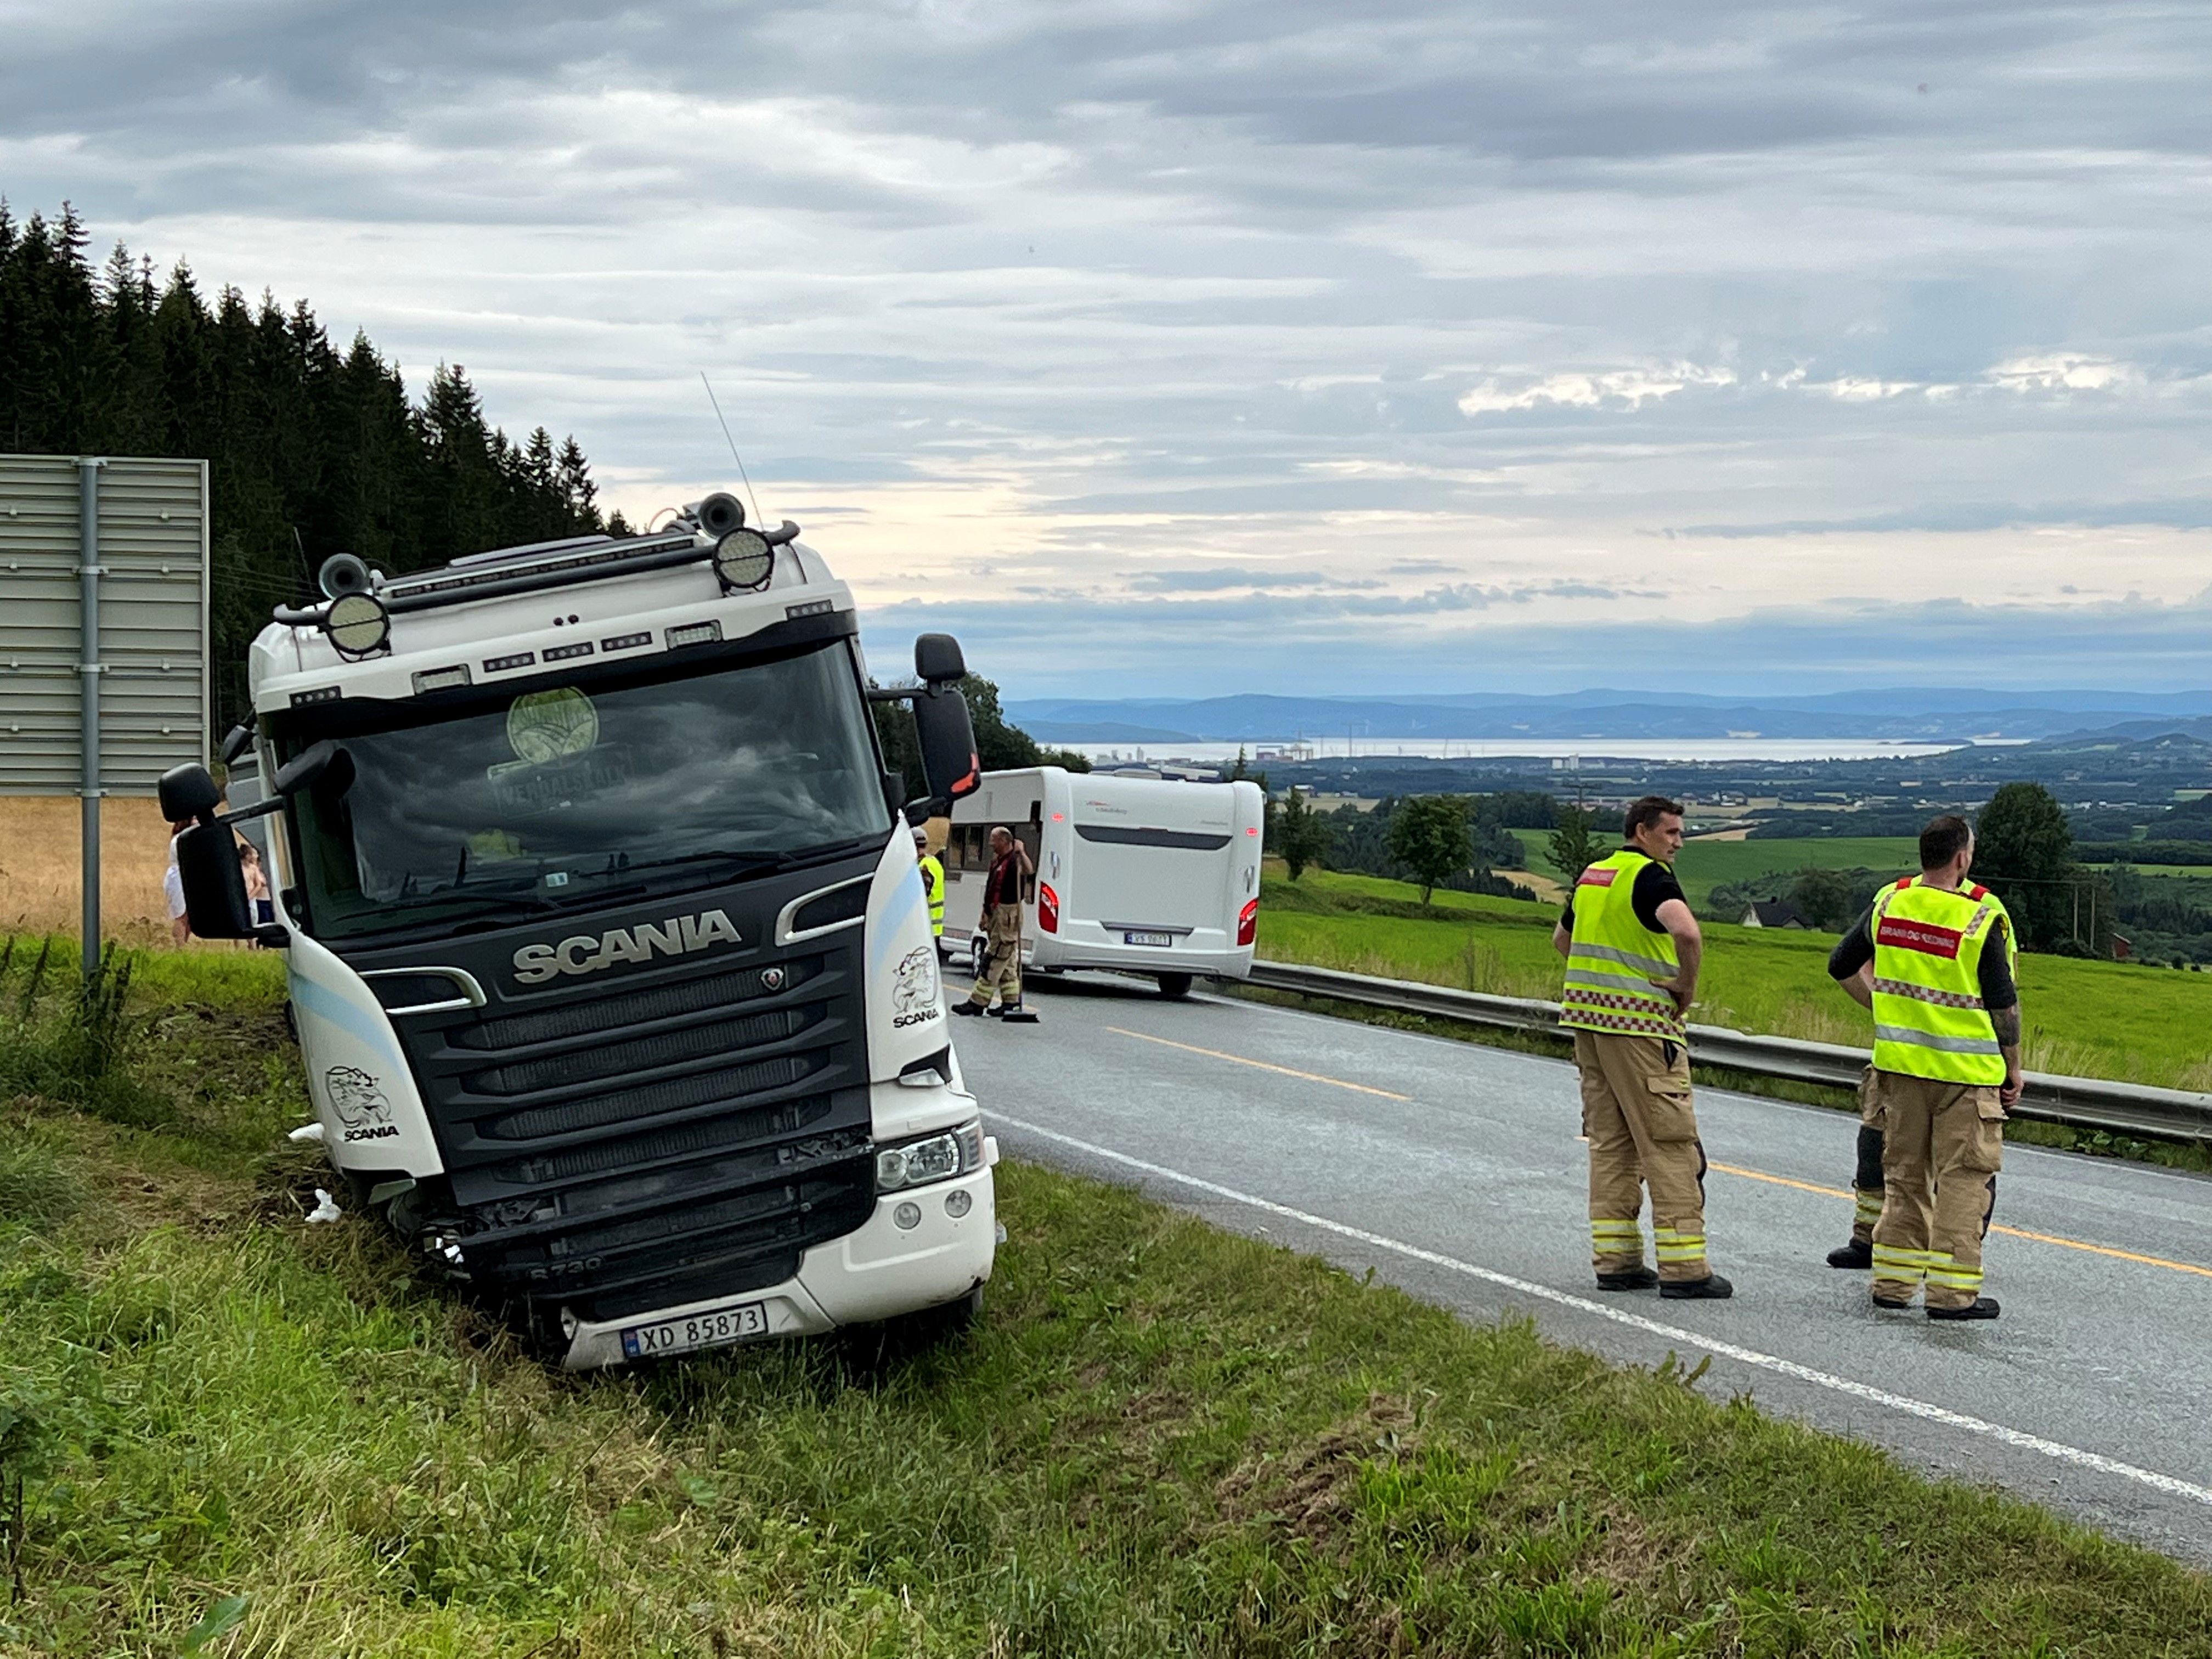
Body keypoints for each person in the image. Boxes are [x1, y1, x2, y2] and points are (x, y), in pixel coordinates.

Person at [1825, 814, 2021, 1321]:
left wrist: (1883, 1009)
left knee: (1905, 1176)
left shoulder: (1890, 902)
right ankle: (1952, 1296)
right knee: (1962, 1179)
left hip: (1900, 1069)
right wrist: (2013, 1068)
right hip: (1966, 1075)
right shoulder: (1978, 917)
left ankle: (1891, 1285)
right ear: (1962, 858)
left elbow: (1840, 963)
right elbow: (2004, 1005)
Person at [1553, 795, 1732, 1299]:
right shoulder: (1650, 878)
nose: (1678, 842)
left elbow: (1562, 942)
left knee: (1611, 1144)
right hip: (1641, 1030)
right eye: (1671, 832)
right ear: (1642, 831)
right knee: (1668, 1143)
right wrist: (1684, 986)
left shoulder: (1595, 875)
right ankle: (1685, 1270)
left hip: (1588, 1026)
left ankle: (1617, 1262)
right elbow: (1687, 933)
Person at [955, 826, 1036, 1022]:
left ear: (1005, 841)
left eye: (994, 840)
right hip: (995, 913)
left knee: (994, 959)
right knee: (1007, 962)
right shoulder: (997, 861)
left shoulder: (1014, 860)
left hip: (1009, 915)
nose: (990, 844)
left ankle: (977, 1003)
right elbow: (991, 888)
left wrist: (1022, 852)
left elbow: (1029, 870)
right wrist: (985, 913)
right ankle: (1011, 1002)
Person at [163, 819, 193, 946]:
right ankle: (180, 945)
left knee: (189, 916)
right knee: (180, 915)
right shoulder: (180, 839)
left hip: (187, 876)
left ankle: (184, 942)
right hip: (179, 877)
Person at [914, 825, 945, 942]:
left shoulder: (924, 867)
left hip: (927, 928)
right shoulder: (934, 862)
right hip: (937, 928)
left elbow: (922, 894)